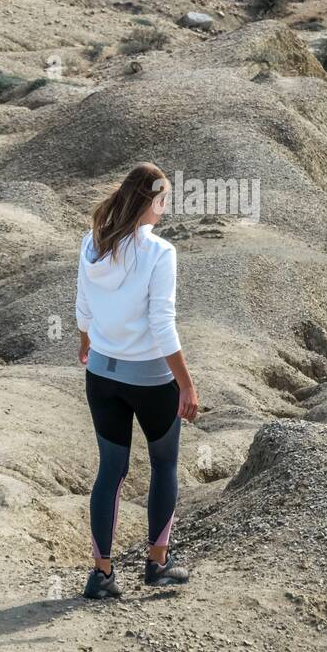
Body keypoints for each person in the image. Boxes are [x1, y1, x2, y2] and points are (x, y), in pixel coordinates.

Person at [76, 163, 199, 599]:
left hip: (101, 374)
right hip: (150, 378)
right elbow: (162, 325)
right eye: (163, 202)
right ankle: (158, 563)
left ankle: (101, 575)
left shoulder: (92, 243)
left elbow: (83, 309)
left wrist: (88, 342)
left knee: (110, 472)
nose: (164, 212)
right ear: (149, 202)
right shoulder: (160, 253)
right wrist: (185, 382)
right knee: (164, 464)